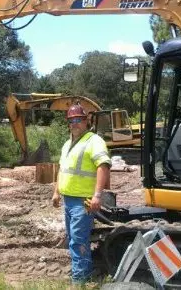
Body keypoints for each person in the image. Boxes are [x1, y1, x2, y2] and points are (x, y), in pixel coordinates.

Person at [52, 104, 111, 285]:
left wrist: (97, 196)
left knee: (78, 240)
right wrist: (56, 192)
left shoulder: (94, 141)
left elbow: (103, 166)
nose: (74, 124)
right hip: (69, 200)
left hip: (83, 201)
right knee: (73, 239)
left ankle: (79, 281)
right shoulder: (67, 144)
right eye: (71, 121)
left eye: (78, 120)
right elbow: (62, 170)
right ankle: (84, 270)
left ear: (86, 121)